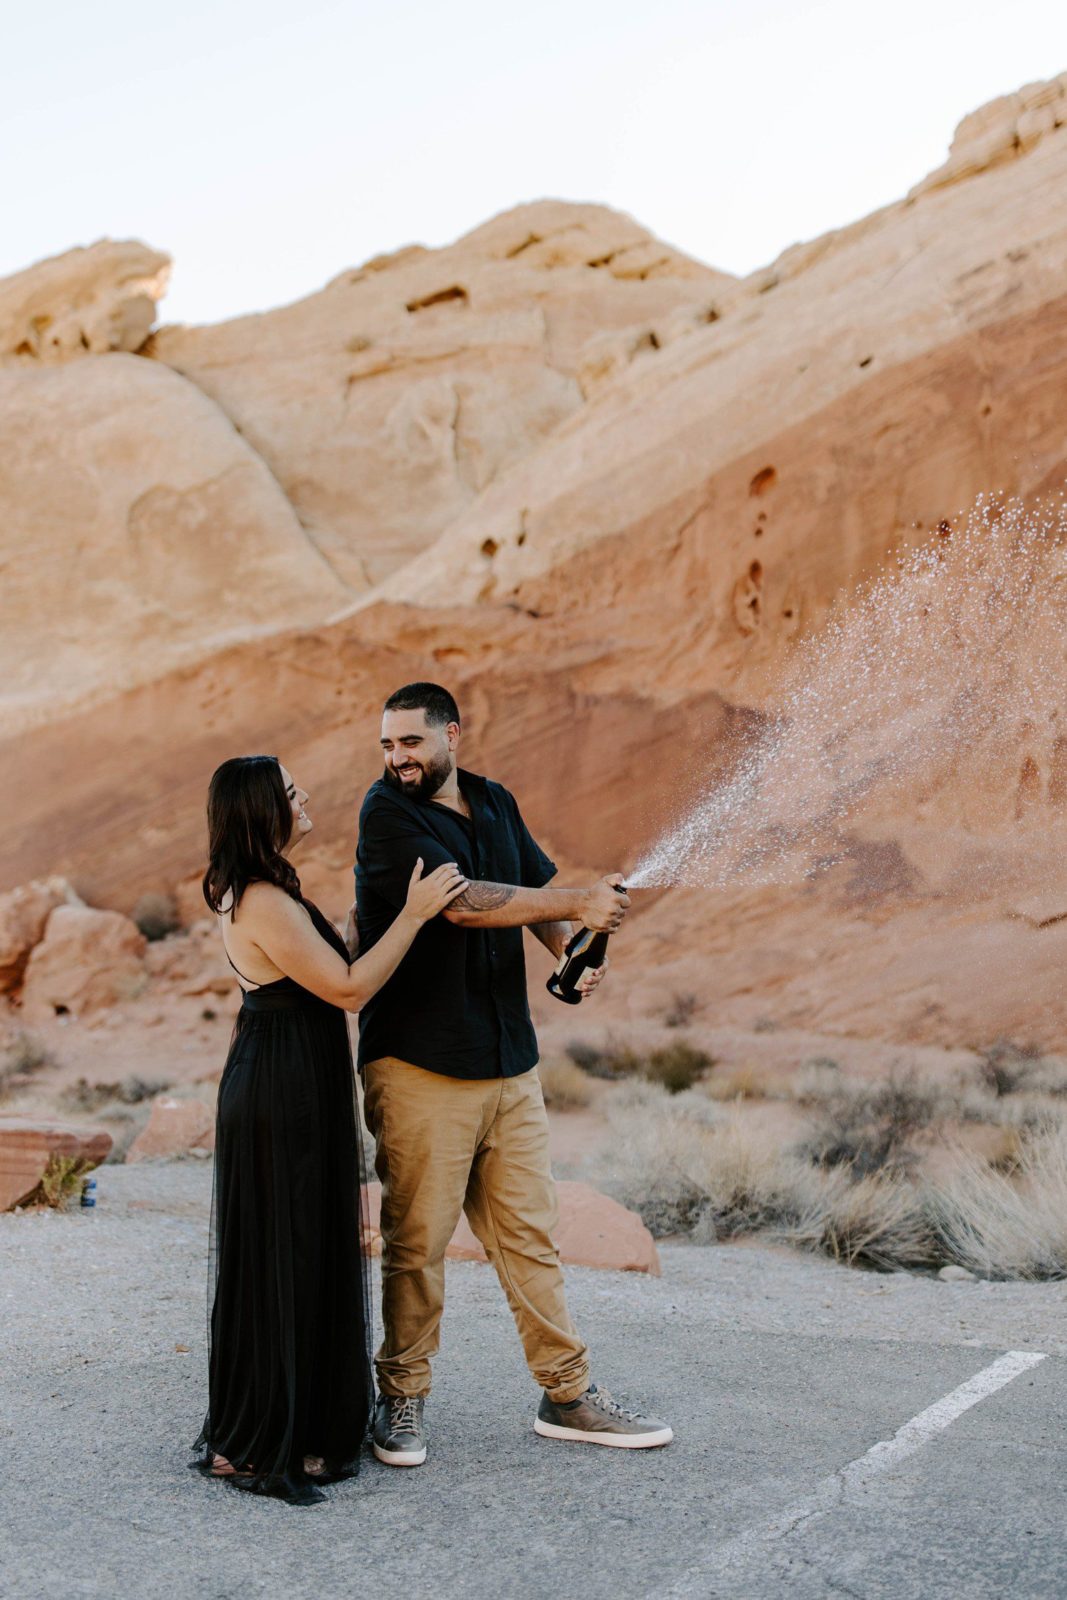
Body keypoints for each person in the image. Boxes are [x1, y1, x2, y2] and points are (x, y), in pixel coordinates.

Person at [355, 683, 673, 1466]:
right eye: (388, 745)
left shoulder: (495, 801)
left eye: (411, 743)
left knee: (530, 1238)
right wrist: (580, 902)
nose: (397, 759)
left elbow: (528, 892)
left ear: (451, 735)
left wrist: (567, 945)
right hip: (420, 1062)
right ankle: (400, 1399)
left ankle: (566, 1393)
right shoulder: (386, 815)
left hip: (508, 1061)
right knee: (415, 1243)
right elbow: (462, 905)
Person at [194, 754, 467, 1504]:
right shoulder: (260, 900)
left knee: (299, 1245)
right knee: (292, 1247)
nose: (302, 795)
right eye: (288, 791)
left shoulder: (265, 886)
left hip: (286, 1074)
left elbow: (332, 960)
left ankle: (292, 1423)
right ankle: (274, 1435)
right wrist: (412, 915)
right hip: (283, 1088)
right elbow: (347, 987)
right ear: (261, 810)